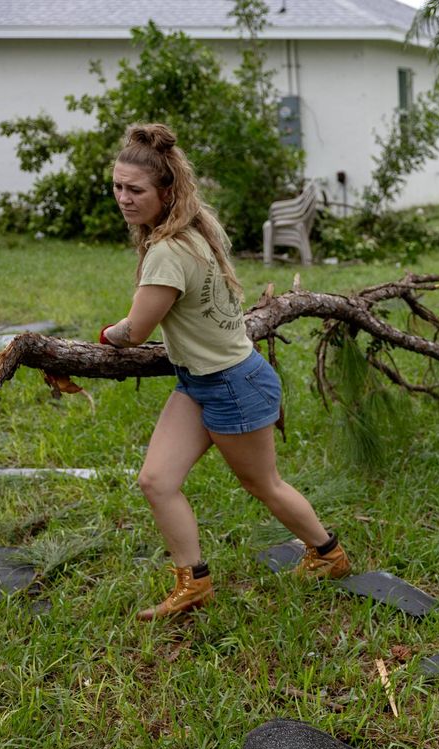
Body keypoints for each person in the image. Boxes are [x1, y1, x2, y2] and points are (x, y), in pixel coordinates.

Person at [101, 123, 350, 621]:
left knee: (264, 485)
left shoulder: (169, 250)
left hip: (233, 384)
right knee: (156, 480)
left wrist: (107, 335)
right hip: (199, 382)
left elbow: (136, 330)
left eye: (136, 190)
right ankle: (193, 583)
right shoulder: (190, 227)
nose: (124, 198)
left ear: (165, 191)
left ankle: (328, 555)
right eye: (118, 187)